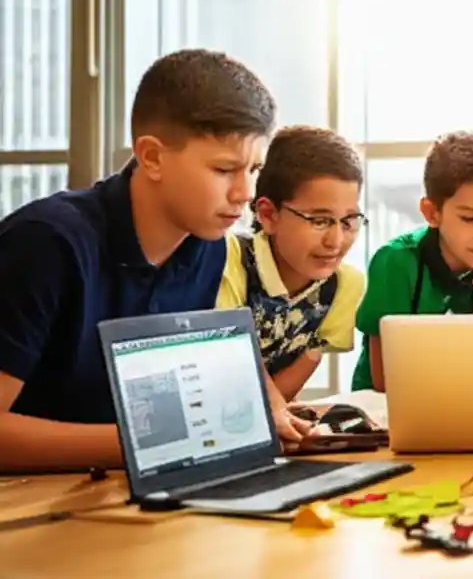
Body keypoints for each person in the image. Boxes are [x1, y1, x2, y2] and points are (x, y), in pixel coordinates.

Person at [0, 49, 277, 472]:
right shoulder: (46, 243)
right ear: (151, 157)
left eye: (254, 169)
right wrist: (156, 447)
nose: (244, 193)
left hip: (119, 493)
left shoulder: (208, 246)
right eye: (224, 170)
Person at [351, 131, 473, 392]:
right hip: (382, 412)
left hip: (465, 403)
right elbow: (384, 382)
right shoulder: (396, 262)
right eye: (469, 218)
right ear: (432, 213)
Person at [218, 126, 367, 405]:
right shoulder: (229, 260)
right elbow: (231, 365)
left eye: (348, 221)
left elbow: (284, 394)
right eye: (319, 220)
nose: (335, 241)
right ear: (268, 215)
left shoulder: (344, 284)